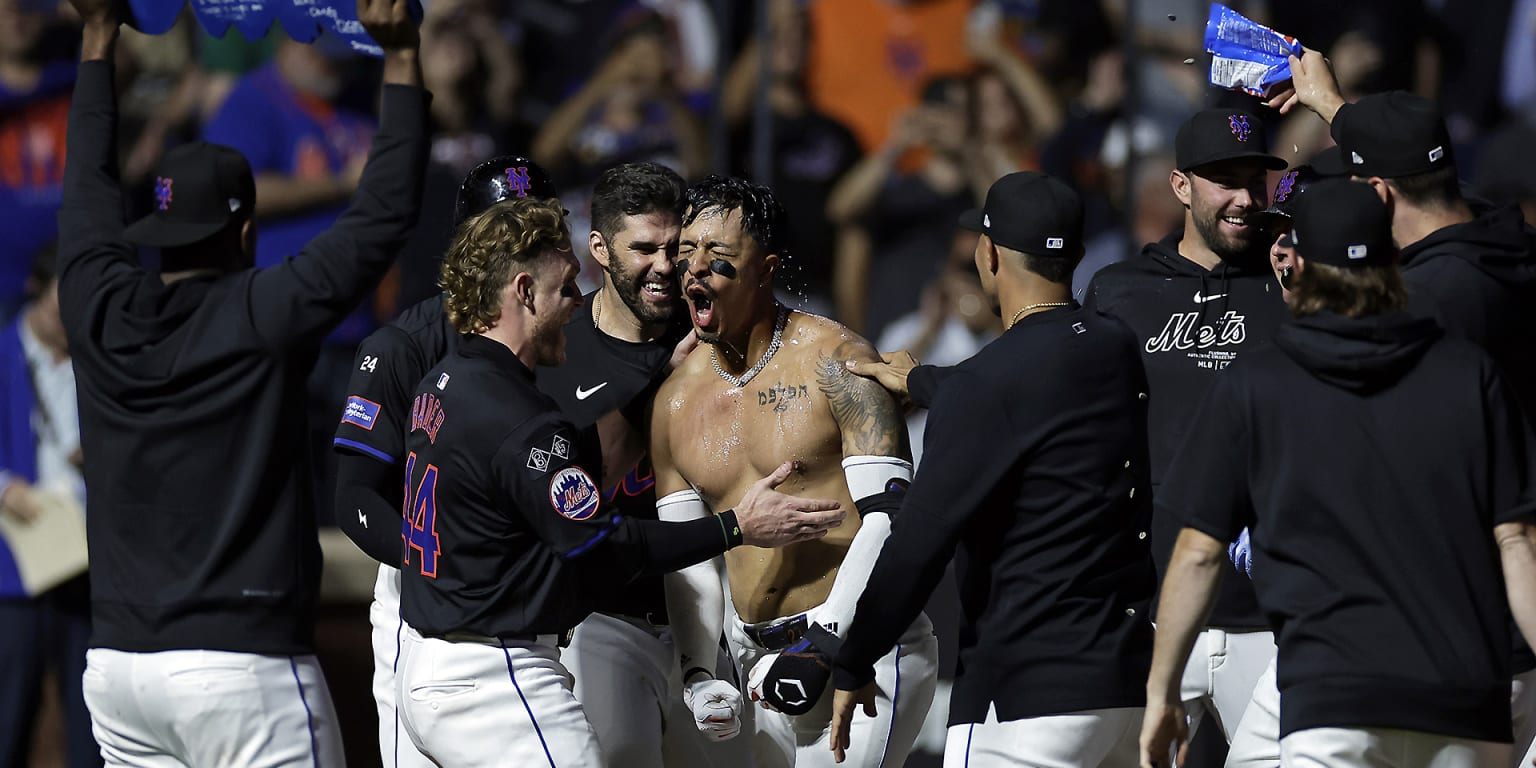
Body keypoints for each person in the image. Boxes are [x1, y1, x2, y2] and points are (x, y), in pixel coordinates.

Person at [55, 0, 427, 763]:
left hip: (120, 669)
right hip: (241, 669)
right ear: (248, 233)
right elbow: (383, 214)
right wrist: (400, 57)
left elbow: (87, 188)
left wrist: (96, 38)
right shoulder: (265, 309)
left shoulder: (95, 302)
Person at [392, 196, 844, 766]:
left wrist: (657, 396)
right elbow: (609, 544)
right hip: (495, 678)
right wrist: (736, 527)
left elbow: (546, 484)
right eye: (564, 288)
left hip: (432, 660)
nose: (576, 302)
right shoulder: (516, 416)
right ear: (525, 291)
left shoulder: (444, 383)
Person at [1140, 178, 1536, 768]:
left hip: (1333, 697)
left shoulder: (1257, 384)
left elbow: (1199, 551)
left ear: (1294, 263)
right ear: (1396, 257)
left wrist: (1162, 690)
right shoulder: (1469, 373)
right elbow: (1518, 542)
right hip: (1463, 700)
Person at [825, 172, 1156, 767]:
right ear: (1075, 256)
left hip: (1028, 698)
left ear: (988, 253)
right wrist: (927, 381)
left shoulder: (988, 383)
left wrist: (854, 659)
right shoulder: (1113, 345)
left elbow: (918, 545)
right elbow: (1028, 384)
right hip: (1124, 689)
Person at [1273, 60, 1536, 762]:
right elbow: (1422, 190)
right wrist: (1333, 107)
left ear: (1379, 194)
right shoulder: (1502, 238)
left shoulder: (1432, 302)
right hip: (1502, 616)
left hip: (1446, 626)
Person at [652, 175, 939, 768]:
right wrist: (701, 669)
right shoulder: (674, 401)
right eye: (687, 253)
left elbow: (892, 515)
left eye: (720, 256)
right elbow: (690, 558)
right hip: (759, 667)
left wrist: (826, 638)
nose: (695, 269)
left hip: (865, 648)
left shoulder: (837, 361)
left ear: (766, 269)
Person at [332, 153, 561, 768]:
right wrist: (431, 556)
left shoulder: (564, 333)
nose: (521, 244)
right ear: (468, 240)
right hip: (427, 597)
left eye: (537, 228)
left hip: (536, 598)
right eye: (505, 227)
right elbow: (354, 495)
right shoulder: (406, 345)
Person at [1081, 107, 1291, 748]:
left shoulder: (1294, 285)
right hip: (1152, 607)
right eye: (1224, 179)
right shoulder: (1120, 291)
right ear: (1180, 186)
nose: (1244, 198)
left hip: (1269, 615)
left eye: (1257, 180)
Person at [0, 246, 96, 768]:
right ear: (37, 291)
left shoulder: (96, 361)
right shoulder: (3, 355)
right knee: (10, 716)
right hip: (16, 572)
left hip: (84, 566)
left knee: (91, 728)